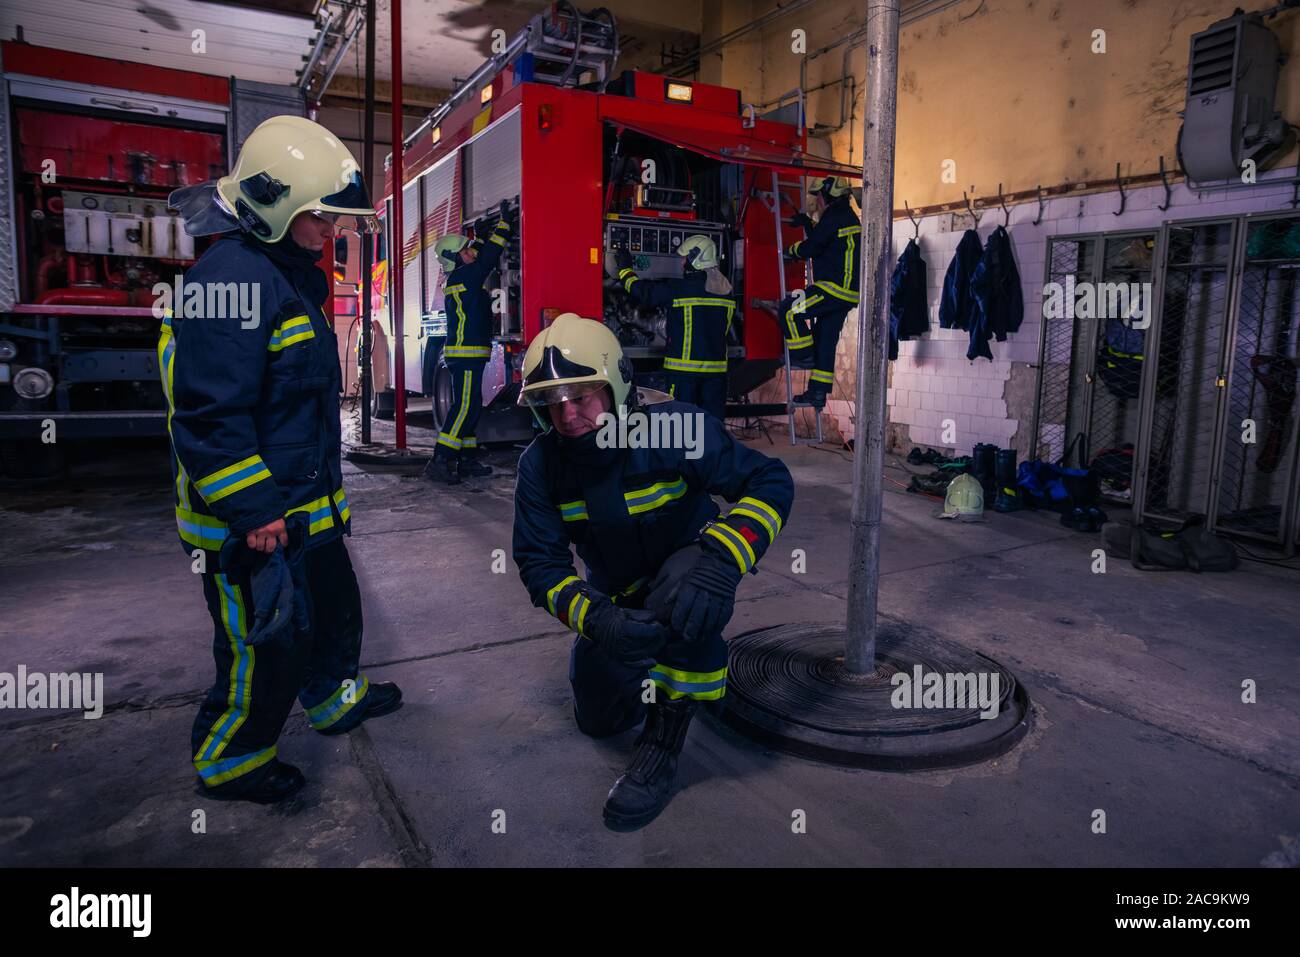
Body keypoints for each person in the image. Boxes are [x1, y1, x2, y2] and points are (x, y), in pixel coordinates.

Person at [162, 115, 402, 804]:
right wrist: (255, 509)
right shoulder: (228, 282)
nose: (331, 233)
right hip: (249, 522)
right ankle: (233, 759)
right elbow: (211, 415)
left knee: (332, 608)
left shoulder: (286, 274)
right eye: (320, 218)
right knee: (266, 642)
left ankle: (334, 697)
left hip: (304, 508)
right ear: (273, 207)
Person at [511, 313, 793, 830]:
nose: (566, 414)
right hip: (614, 593)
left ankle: (664, 739)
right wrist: (596, 619)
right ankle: (655, 664)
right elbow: (539, 564)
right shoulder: (540, 466)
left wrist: (724, 558)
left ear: (615, 386)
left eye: (581, 395)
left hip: (692, 571)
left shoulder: (676, 431)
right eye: (551, 402)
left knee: (686, 604)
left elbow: (770, 481)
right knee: (597, 720)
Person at [425, 202, 515, 484]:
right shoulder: (465, 276)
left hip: (468, 354)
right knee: (464, 407)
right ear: (456, 258)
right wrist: (503, 226)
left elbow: (479, 254)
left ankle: (467, 459)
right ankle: (440, 459)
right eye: (465, 251)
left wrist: (477, 235)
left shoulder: (461, 275)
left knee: (472, 405)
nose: (471, 253)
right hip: (464, 356)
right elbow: (488, 258)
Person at [757, 175, 861, 408]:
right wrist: (807, 223)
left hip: (833, 289)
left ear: (827, 196)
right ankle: (817, 393)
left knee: (789, 309)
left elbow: (813, 246)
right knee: (825, 340)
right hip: (846, 294)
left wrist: (789, 251)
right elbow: (827, 238)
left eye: (819, 197)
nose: (818, 202)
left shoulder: (834, 217)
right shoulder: (845, 216)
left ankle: (803, 355)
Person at [613, 235, 735, 422]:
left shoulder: (681, 288)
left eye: (686, 258)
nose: (682, 263)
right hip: (716, 375)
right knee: (713, 426)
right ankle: (710, 452)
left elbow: (643, 292)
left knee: (679, 425)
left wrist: (625, 270)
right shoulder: (727, 293)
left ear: (696, 258)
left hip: (684, 376)